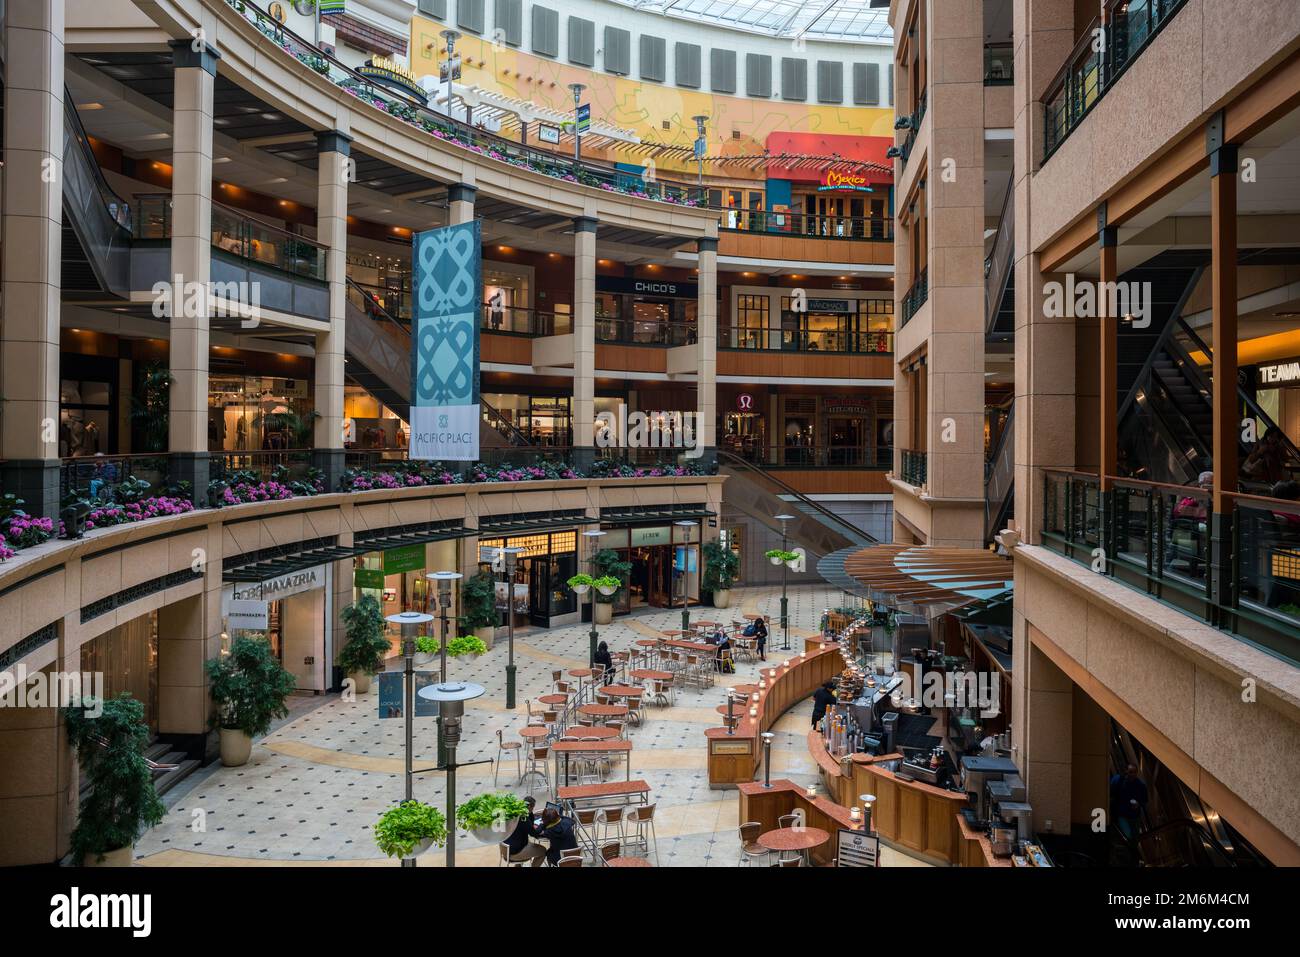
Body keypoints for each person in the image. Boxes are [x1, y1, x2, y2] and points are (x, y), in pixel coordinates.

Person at [1109, 763, 1148, 842]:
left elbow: (1145, 800)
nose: (1132, 774)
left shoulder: (1141, 786)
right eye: (1130, 772)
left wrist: (1138, 804)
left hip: (1134, 817)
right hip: (1121, 815)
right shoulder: (1118, 780)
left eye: (1134, 772)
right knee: (1127, 836)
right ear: (1126, 771)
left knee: (1135, 839)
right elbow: (1109, 792)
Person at [503, 796, 546, 866]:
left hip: (506, 849)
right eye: (533, 807)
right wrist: (542, 825)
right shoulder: (524, 819)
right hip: (515, 853)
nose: (533, 809)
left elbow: (529, 824)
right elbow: (534, 834)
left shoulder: (515, 813)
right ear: (529, 807)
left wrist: (530, 813)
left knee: (524, 841)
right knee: (543, 851)